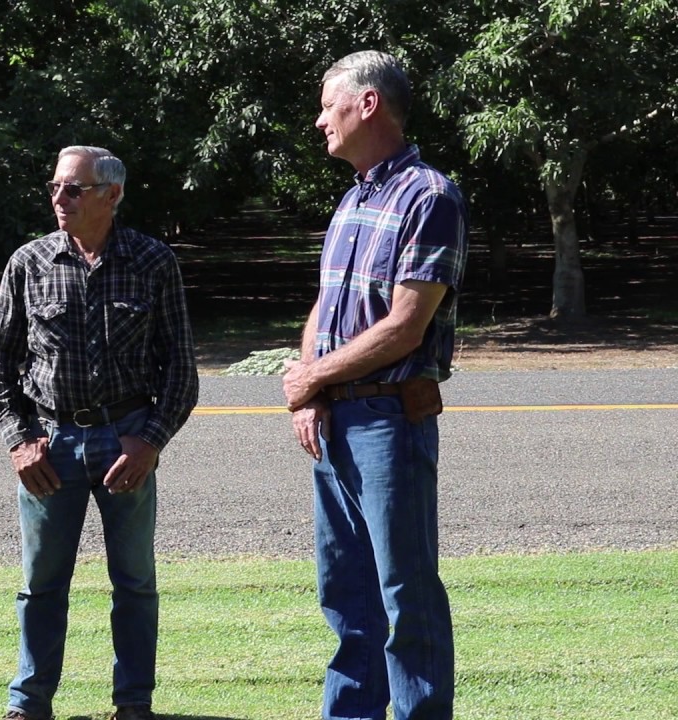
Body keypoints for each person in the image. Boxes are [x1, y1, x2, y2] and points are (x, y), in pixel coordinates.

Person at [0, 146, 199, 720]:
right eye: (54, 187)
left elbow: (181, 370)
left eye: (73, 189)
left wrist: (149, 441)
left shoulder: (153, 263)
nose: (59, 199)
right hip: (49, 444)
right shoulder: (28, 264)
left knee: (134, 582)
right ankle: (28, 704)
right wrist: (18, 440)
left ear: (112, 195)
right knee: (41, 585)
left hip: (125, 438)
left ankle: (133, 704)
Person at [282, 51, 468, 720]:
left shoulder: (429, 196)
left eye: (329, 104)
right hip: (338, 424)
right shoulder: (356, 196)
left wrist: (313, 379)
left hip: (390, 422)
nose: (318, 120)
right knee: (346, 596)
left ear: (368, 106)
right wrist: (310, 393)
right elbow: (326, 306)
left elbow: (404, 328)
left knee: (403, 595)